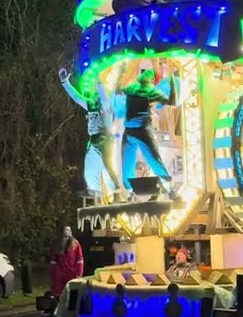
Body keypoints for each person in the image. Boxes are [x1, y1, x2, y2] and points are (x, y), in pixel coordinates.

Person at [59, 68, 126, 200]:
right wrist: (65, 82)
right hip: (94, 141)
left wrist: (97, 77)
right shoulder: (90, 106)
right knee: (90, 166)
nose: (91, 96)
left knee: (107, 166)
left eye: (95, 95)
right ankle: (95, 190)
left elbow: (103, 94)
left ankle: (116, 193)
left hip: (104, 140)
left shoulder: (106, 107)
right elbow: (77, 97)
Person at [121, 68, 178, 199]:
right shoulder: (142, 89)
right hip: (132, 131)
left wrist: (173, 82)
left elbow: (172, 102)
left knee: (153, 160)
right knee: (129, 164)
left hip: (140, 130)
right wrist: (172, 82)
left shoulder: (143, 89)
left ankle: (170, 189)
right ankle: (130, 193)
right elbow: (172, 101)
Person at [51, 226, 84, 297]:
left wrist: (79, 273)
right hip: (60, 273)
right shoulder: (58, 244)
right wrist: (55, 273)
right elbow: (54, 260)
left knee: (72, 292)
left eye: (68, 230)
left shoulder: (75, 244)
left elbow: (79, 259)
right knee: (59, 293)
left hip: (72, 273)